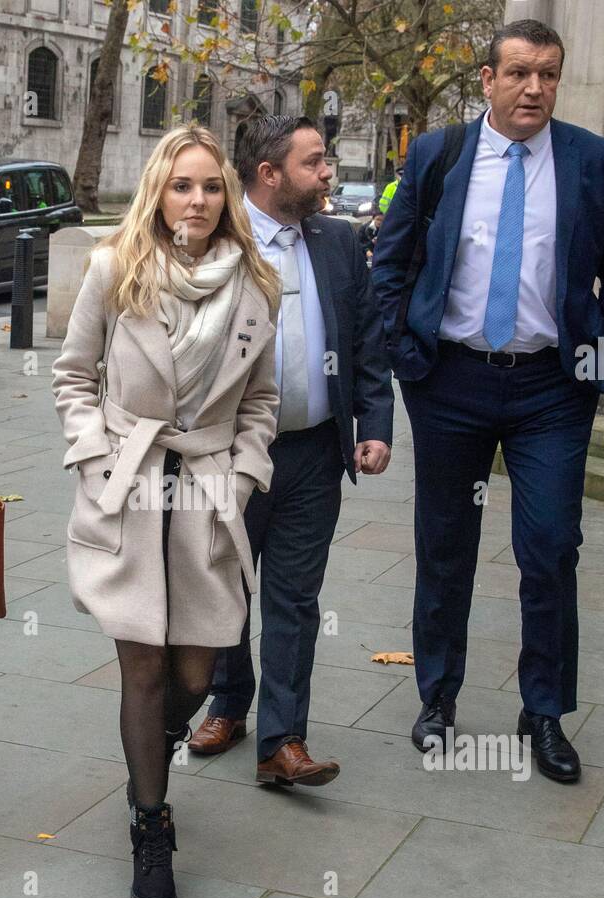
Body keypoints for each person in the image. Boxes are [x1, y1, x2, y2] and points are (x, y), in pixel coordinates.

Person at [371, 19, 604, 783]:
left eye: (549, 74)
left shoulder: (593, 160)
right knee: (445, 544)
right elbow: (389, 264)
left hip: (551, 389)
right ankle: (438, 697)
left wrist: (602, 341)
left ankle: (545, 711)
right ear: (487, 80)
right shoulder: (438, 154)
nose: (535, 88)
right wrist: (405, 354)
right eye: (520, 72)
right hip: (451, 381)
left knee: (551, 546)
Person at [52, 123, 280, 898]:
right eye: (183, 184)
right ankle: (152, 825)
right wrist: (93, 458)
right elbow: (73, 375)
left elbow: (262, 402)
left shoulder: (256, 284)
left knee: (194, 673)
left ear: (229, 194)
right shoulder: (117, 268)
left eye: (211, 186)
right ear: (159, 190)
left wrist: (247, 475)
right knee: (143, 669)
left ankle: (144, 750)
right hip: (129, 488)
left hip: (209, 495)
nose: (197, 199)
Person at [192, 116, 394, 785]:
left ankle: (282, 739)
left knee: (294, 597)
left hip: (311, 455)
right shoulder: (215, 241)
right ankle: (228, 701)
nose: (327, 172)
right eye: (314, 162)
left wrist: (374, 423)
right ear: (269, 174)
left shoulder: (337, 241)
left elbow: (367, 339)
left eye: (326, 159)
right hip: (229, 455)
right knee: (226, 585)